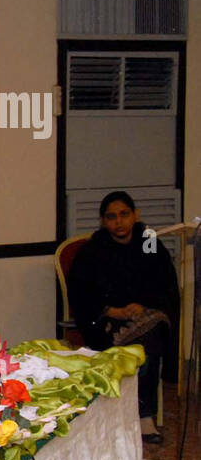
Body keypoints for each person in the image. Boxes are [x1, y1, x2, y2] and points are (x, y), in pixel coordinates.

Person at [67, 190, 179, 443]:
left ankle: (143, 416)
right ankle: (132, 417)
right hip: (107, 319)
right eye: (111, 217)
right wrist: (109, 310)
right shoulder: (95, 248)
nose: (119, 222)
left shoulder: (148, 238)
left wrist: (143, 304)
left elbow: (161, 277)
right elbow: (81, 291)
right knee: (142, 342)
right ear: (103, 221)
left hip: (146, 312)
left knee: (150, 335)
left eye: (124, 215)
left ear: (135, 215)